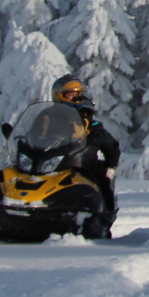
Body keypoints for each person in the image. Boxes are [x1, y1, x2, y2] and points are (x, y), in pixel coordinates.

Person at [50, 74, 120, 221]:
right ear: (60, 96)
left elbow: (111, 146)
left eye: (77, 94)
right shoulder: (46, 117)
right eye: (71, 95)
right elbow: (36, 137)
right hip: (51, 164)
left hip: (82, 165)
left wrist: (111, 168)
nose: (76, 97)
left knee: (102, 181)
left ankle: (105, 216)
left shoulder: (87, 119)